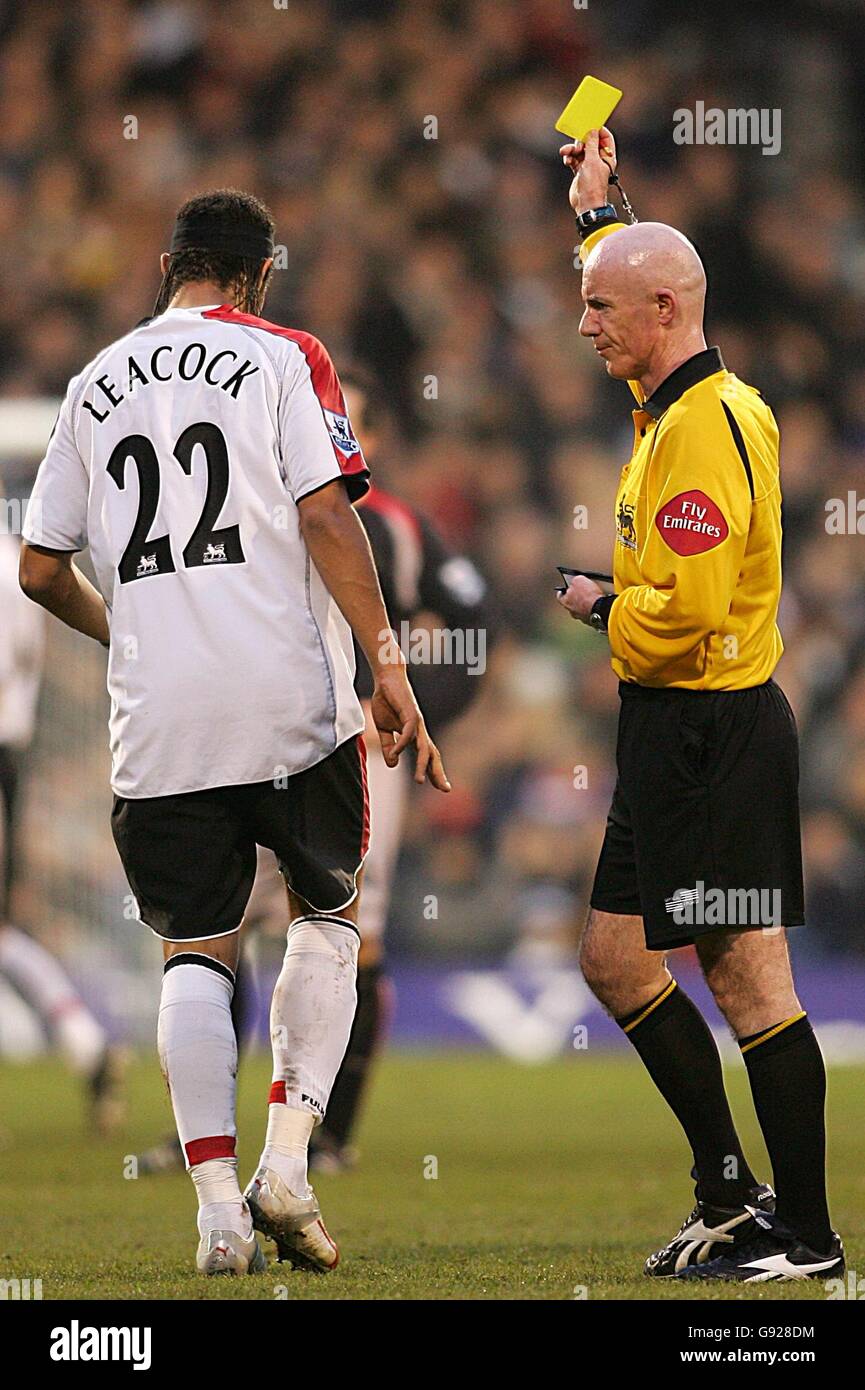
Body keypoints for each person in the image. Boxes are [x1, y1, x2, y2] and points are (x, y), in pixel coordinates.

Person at [19, 189, 449, 1277]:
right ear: (260, 275)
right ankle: (289, 1164)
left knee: (194, 950)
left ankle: (216, 1212)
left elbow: (37, 566)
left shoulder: (89, 384)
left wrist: (120, 630)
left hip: (157, 717)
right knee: (330, 914)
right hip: (285, 701)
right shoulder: (283, 353)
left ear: (168, 264)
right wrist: (387, 662)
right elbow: (323, 509)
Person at [556, 130, 843, 1282]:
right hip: (668, 731)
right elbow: (638, 280)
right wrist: (597, 212)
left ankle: (813, 1243)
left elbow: (692, 605)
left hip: (711, 733)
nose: (583, 324)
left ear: (665, 309)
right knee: (616, 959)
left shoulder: (703, 426)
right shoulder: (670, 401)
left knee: (746, 977)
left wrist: (600, 611)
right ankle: (729, 1191)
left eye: (599, 307)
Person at [0, 531, 124, 1131]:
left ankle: (88, 1045)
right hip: (12, 753)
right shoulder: (17, 559)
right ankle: (87, 1045)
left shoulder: (10, 566)